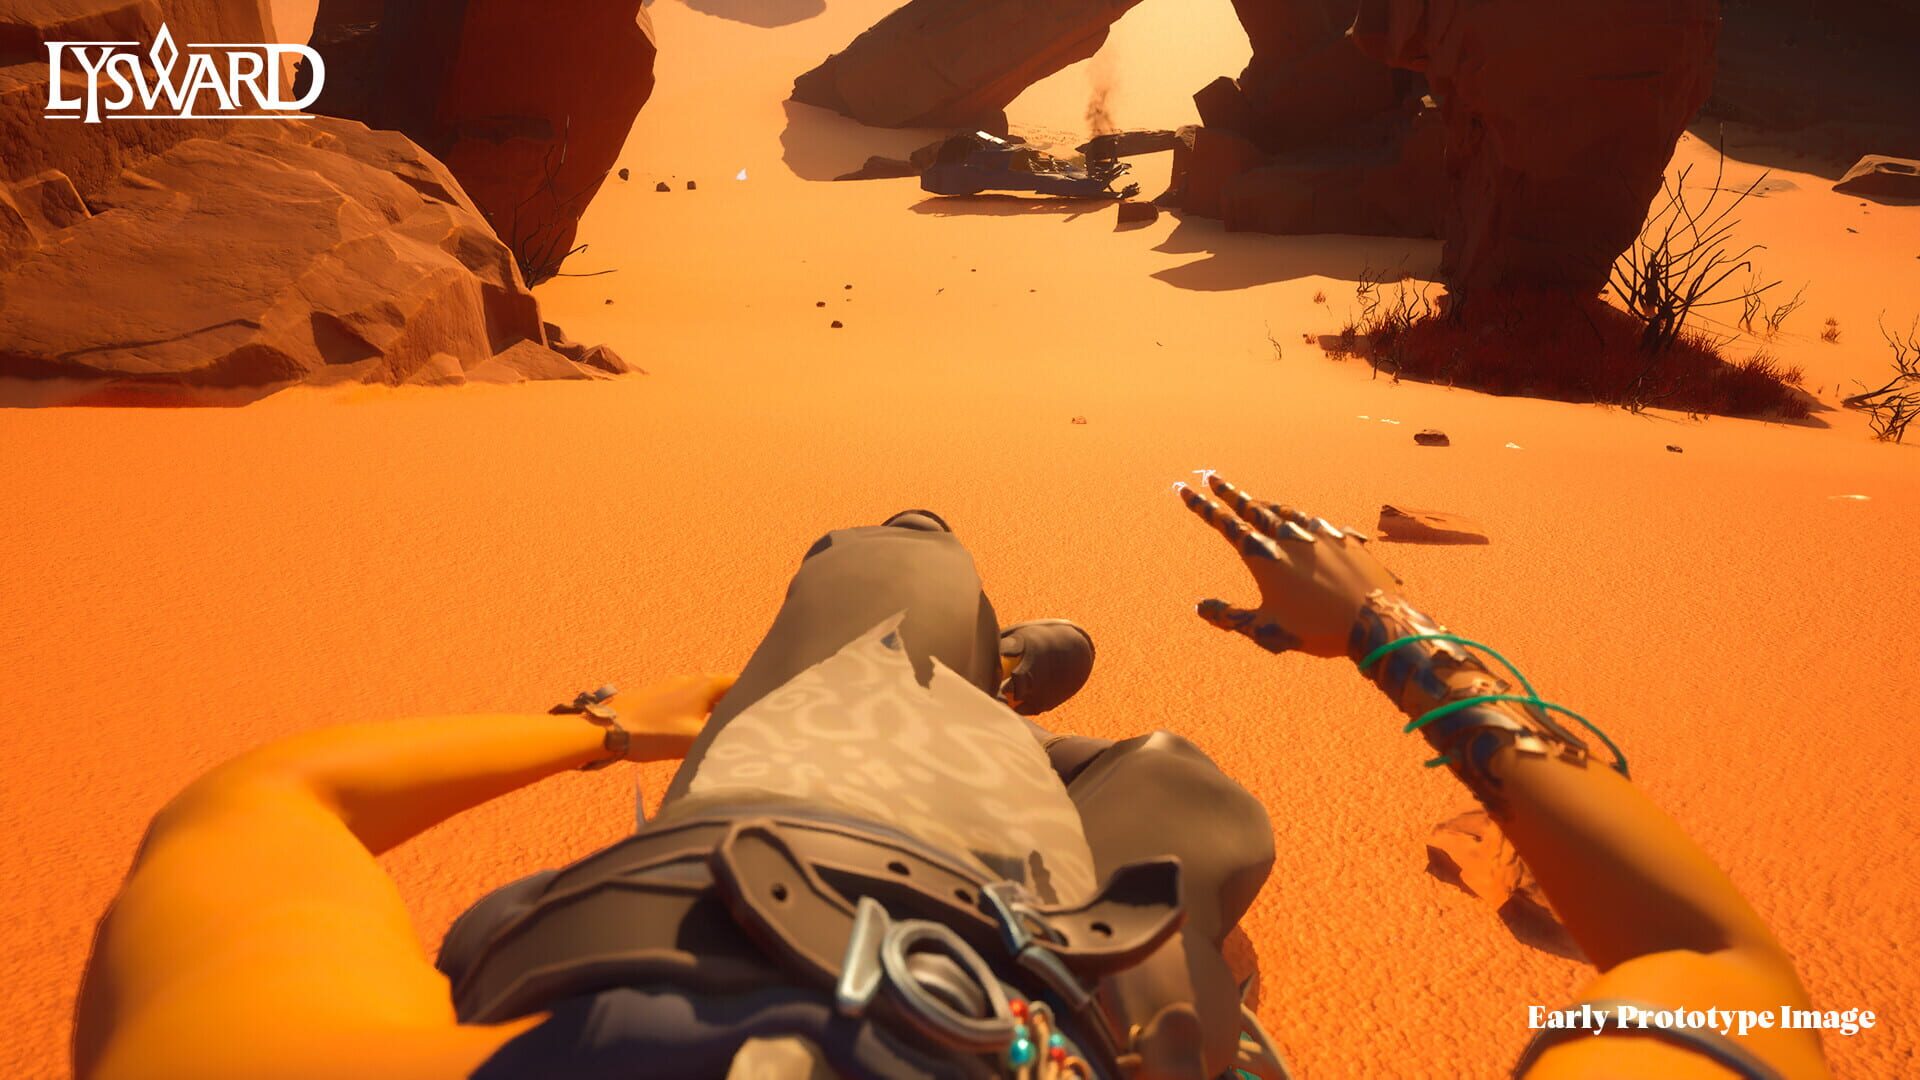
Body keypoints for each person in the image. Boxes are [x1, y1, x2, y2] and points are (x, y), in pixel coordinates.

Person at [72, 479, 1829, 1079]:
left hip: (838, 850)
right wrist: (1394, 631)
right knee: (1181, 795)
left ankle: (973, 687)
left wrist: (624, 720)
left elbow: (258, 808)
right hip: (923, 897)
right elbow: (1740, 978)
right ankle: (979, 698)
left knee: (903, 568)